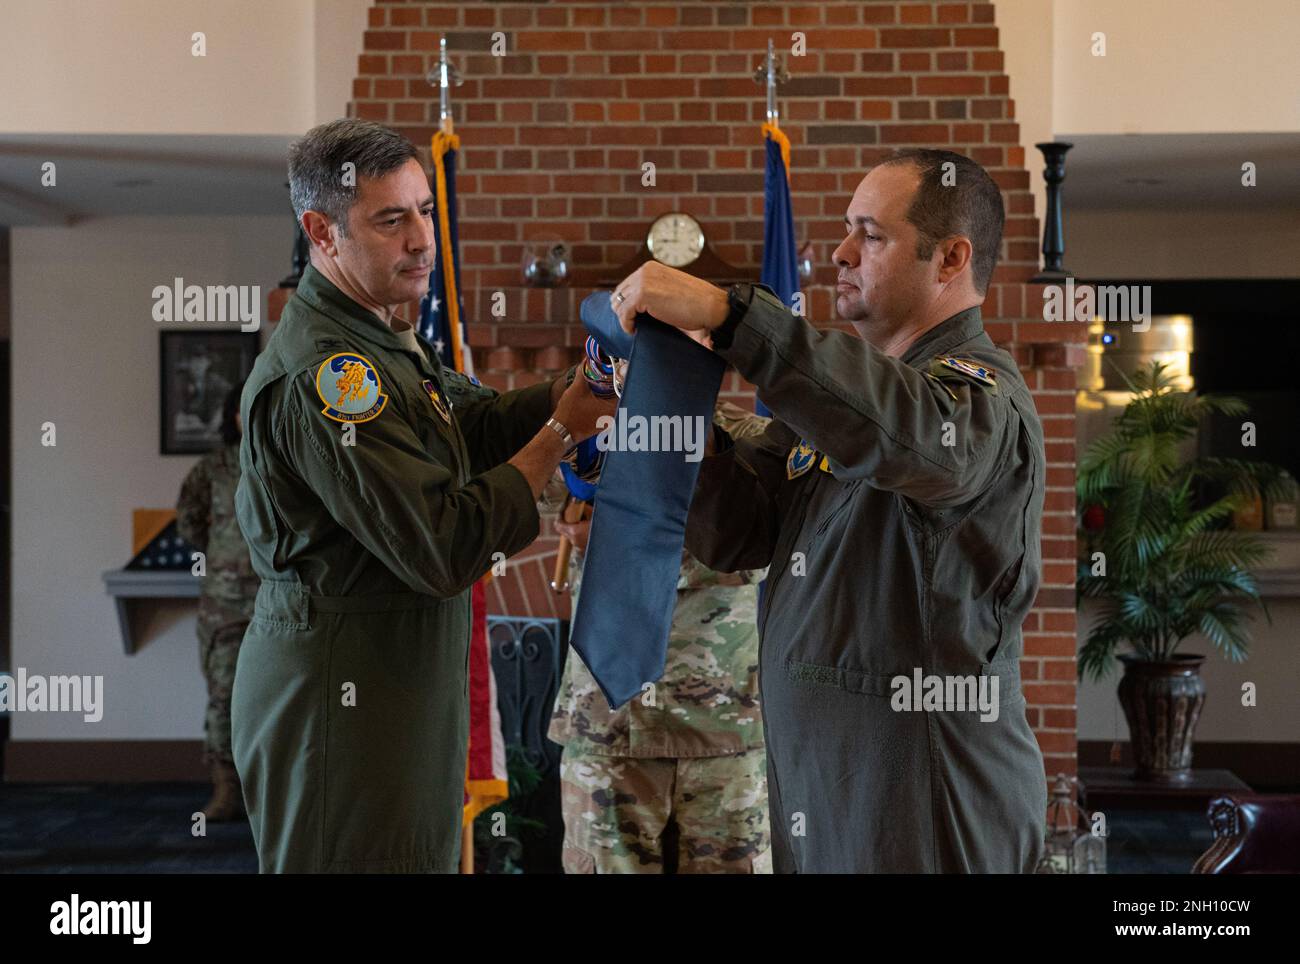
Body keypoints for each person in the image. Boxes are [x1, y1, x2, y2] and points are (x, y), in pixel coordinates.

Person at [607, 149, 1048, 873]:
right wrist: (677, 405)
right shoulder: (848, 404)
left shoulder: (978, 399)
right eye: (846, 230)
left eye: (871, 235)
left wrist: (733, 316)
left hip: (924, 793)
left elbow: (904, 434)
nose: (839, 254)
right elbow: (739, 532)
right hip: (823, 787)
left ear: (950, 259)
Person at [231, 118, 613, 873]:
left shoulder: (380, 334)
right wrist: (562, 435)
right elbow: (441, 546)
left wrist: (584, 387)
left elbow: (471, 423)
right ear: (322, 230)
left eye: (426, 212)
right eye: (391, 219)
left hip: (392, 683)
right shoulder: (329, 376)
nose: (421, 239)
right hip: (343, 698)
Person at [547, 400, 771, 874]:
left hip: (726, 728)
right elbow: (536, 492)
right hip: (609, 725)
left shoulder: (751, 435)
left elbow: (771, 536)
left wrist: (619, 534)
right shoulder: (592, 427)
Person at [175, 381, 257, 822]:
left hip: (278, 602)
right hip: (225, 604)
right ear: (232, 417)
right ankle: (226, 789)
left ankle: (272, 791)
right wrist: (221, 557)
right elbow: (187, 519)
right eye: (241, 411)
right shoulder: (212, 468)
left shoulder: (287, 461)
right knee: (224, 695)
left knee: (277, 698)